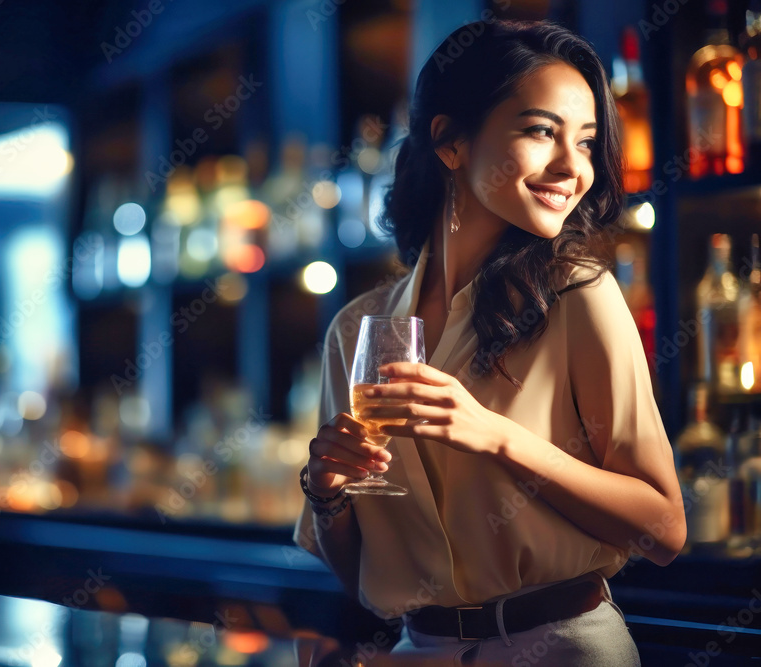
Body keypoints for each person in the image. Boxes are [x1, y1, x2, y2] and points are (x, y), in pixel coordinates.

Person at [293, 19, 684, 665]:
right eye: (540, 131)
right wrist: (327, 488)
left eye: (586, 142)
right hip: (421, 648)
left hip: (562, 646)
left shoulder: (577, 295)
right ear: (449, 141)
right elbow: (359, 572)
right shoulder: (356, 330)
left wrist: (495, 434)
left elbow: (664, 528)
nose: (573, 167)